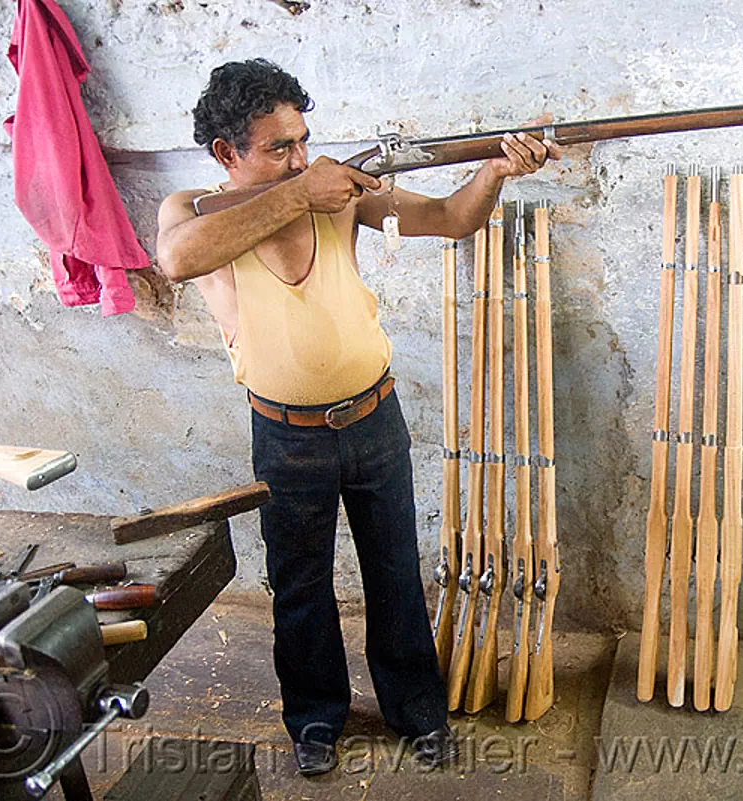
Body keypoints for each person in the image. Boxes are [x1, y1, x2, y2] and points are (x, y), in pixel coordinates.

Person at [156, 59, 559, 777]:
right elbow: (179, 259)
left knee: (398, 575)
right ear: (226, 153)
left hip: (375, 420)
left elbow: (449, 219)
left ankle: (417, 712)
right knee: (300, 586)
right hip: (285, 436)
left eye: (302, 141)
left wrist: (495, 172)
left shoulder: (338, 194)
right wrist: (300, 192)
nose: (301, 158)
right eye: (278, 147)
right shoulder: (191, 209)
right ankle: (314, 720)